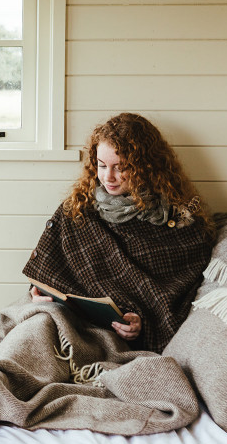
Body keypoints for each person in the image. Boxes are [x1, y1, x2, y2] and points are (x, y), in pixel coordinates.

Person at [23, 113, 214, 353]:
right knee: (36, 330)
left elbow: (170, 295)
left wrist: (139, 322)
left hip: (113, 337)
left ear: (146, 167)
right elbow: (47, 271)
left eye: (120, 168)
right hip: (65, 319)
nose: (108, 177)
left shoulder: (176, 222)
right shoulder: (78, 209)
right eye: (101, 166)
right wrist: (37, 293)